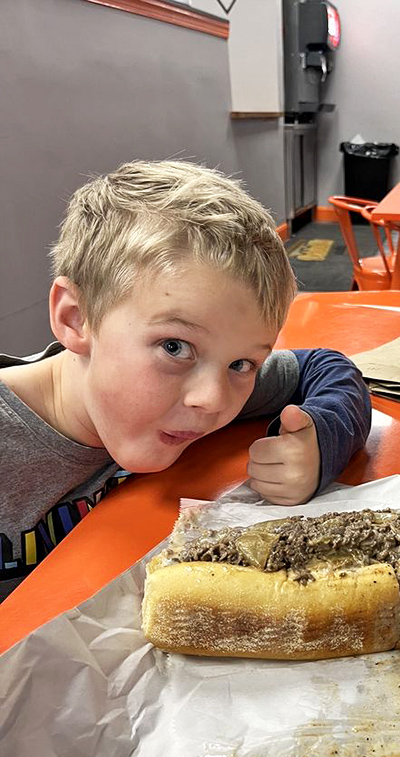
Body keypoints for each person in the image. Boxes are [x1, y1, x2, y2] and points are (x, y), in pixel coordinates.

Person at [0, 160, 372, 601]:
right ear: (76, 319)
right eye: (175, 347)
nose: (212, 400)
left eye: (241, 364)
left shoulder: (205, 391)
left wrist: (321, 442)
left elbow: (326, 367)